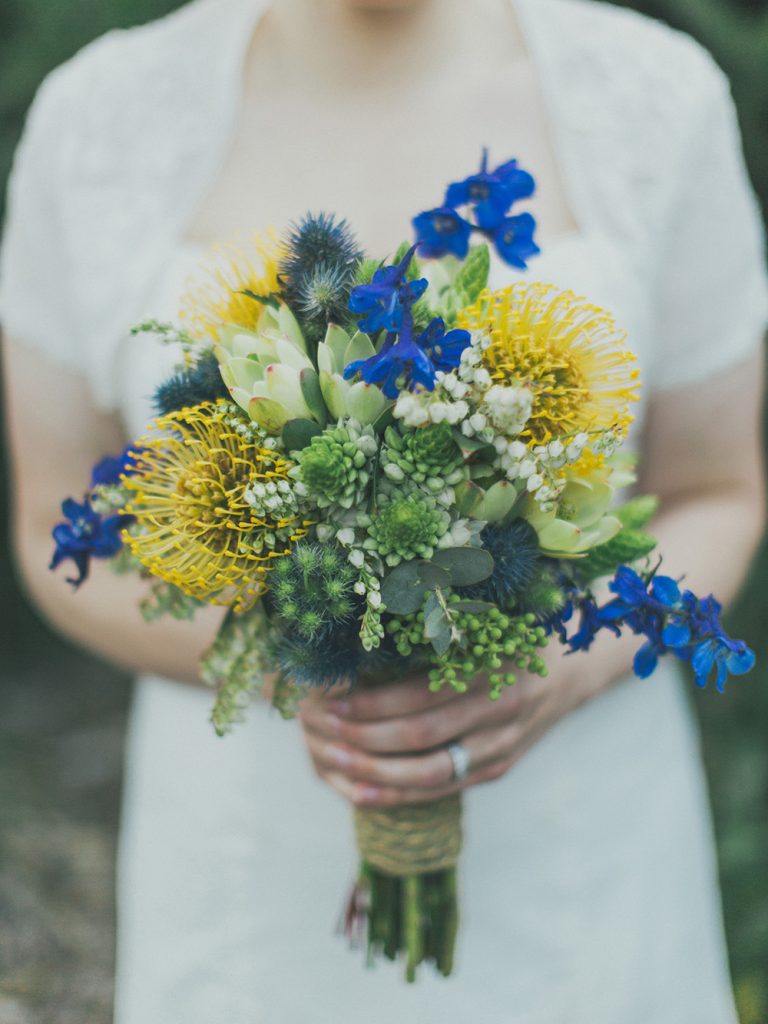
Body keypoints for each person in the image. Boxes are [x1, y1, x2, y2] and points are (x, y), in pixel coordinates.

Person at [1, 0, 766, 1020]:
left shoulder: (655, 97)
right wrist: (294, 655)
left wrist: (559, 669)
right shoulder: (97, 117)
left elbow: (719, 490)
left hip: (584, 867)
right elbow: (59, 521)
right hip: (244, 879)